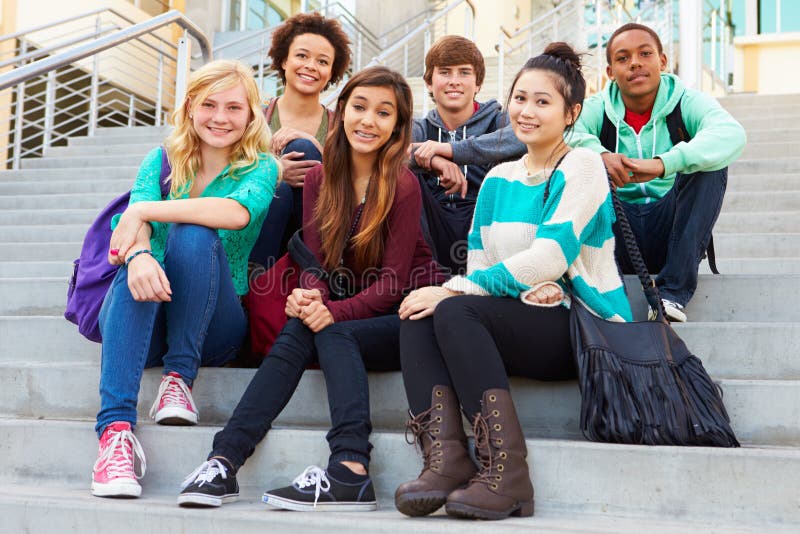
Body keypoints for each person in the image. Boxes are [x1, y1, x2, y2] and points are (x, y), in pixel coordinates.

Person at [178, 66, 445, 511]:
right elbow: (316, 261)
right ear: (341, 113)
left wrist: (333, 312)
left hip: (405, 315)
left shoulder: (402, 183)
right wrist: (310, 294)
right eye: (359, 107)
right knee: (303, 324)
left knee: (329, 329)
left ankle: (351, 466)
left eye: (384, 113)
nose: (368, 121)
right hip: (346, 308)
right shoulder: (321, 179)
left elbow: (394, 283)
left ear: (398, 127)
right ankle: (224, 462)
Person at [395, 43, 633, 521]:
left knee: (453, 303)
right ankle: (446, 460)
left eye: (543, 102)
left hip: (584, 327)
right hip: (525, 315)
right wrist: (512, 288)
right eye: (520, 99)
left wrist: (458, 288)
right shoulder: (499, 178)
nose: (526, 111)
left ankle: (508, 475)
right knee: (419, 315)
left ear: (572, 113)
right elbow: (484, 267)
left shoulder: (582, 167)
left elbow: (550, 255)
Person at [90, 60, 279, 499]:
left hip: (216, 323)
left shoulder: (261, 168)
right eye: (209, 104)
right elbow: (124, 237)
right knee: (135, 269)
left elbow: (234, 213)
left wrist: (143, 213)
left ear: (252, 114)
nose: (220, 117)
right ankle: (115, 436)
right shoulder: (160, 160)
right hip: (146, 313)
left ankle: (179, 379)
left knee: (193, 234)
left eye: (234, 107)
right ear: (190, 107)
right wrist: (137, 255)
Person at [569, 22, 746, 322]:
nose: (635, 62)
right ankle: (593, 290)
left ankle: (671, 294)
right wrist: (599, 155)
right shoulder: (597, 108)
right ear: (610, 72)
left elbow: (731, 134)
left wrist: (664, 163)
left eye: (645, 53)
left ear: (662, 62)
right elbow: (563, 134)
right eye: (623, 58)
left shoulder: (685, 101)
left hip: (671, 234)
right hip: (615, 237)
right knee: (578, 166)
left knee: (710, 166)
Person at [407, 35, 525, 274]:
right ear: (429, 83)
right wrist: (433, 160)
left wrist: (452, 150)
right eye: (445, 72)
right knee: (402, 176)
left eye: (464, 73)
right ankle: (426, 275)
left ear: (478, 83)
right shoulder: (420, 128)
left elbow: (522, 137)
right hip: (432, 222)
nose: (454, 81)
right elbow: (388, 153)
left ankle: (497, 274)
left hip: (487, 217)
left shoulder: (498, 120)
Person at [249, 11, 351, 267]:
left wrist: (315, 146)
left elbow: (354, 185)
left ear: (332, 71)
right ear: (284, 60)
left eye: (322, 61)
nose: (310, 66)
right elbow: (227, 174)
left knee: (303, 147)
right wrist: (274, 170)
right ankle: (258, 286)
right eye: (302, 55)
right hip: (259, 232)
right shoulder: (253, 118)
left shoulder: (342, 125)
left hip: (318, 234)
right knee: (279, 189)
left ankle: (317, 277)